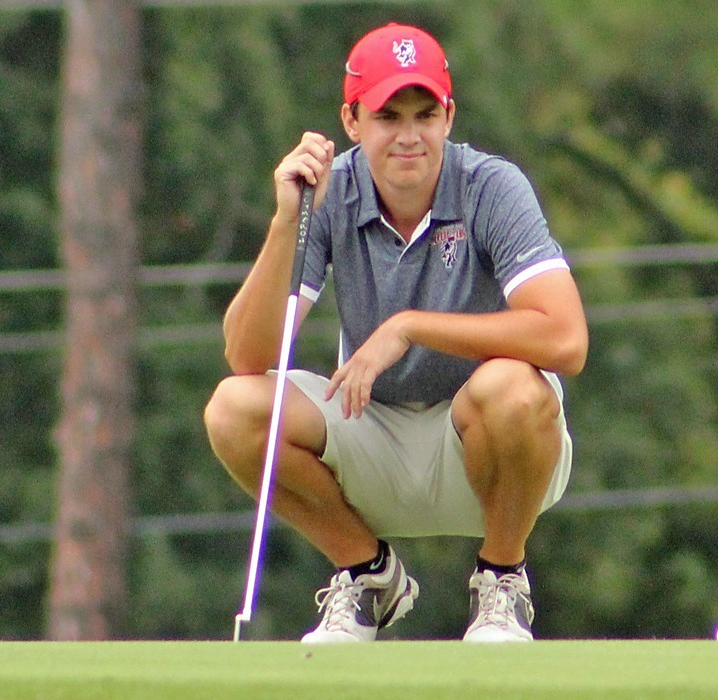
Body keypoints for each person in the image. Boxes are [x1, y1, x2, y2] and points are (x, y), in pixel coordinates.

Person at [203, 22, 587, 644]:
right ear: (352, 122)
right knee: (234, 409)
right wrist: (287, 223)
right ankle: (367, 575)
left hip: (486, 443)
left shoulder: (491, 187)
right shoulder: (331, 193)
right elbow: (247, 354)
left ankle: (501, 580)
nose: (409, 135)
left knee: (514, 388)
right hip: (370, 429)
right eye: (387, 116)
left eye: (425, 114)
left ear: (449, 117)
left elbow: (566, 340)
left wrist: (409, 327)